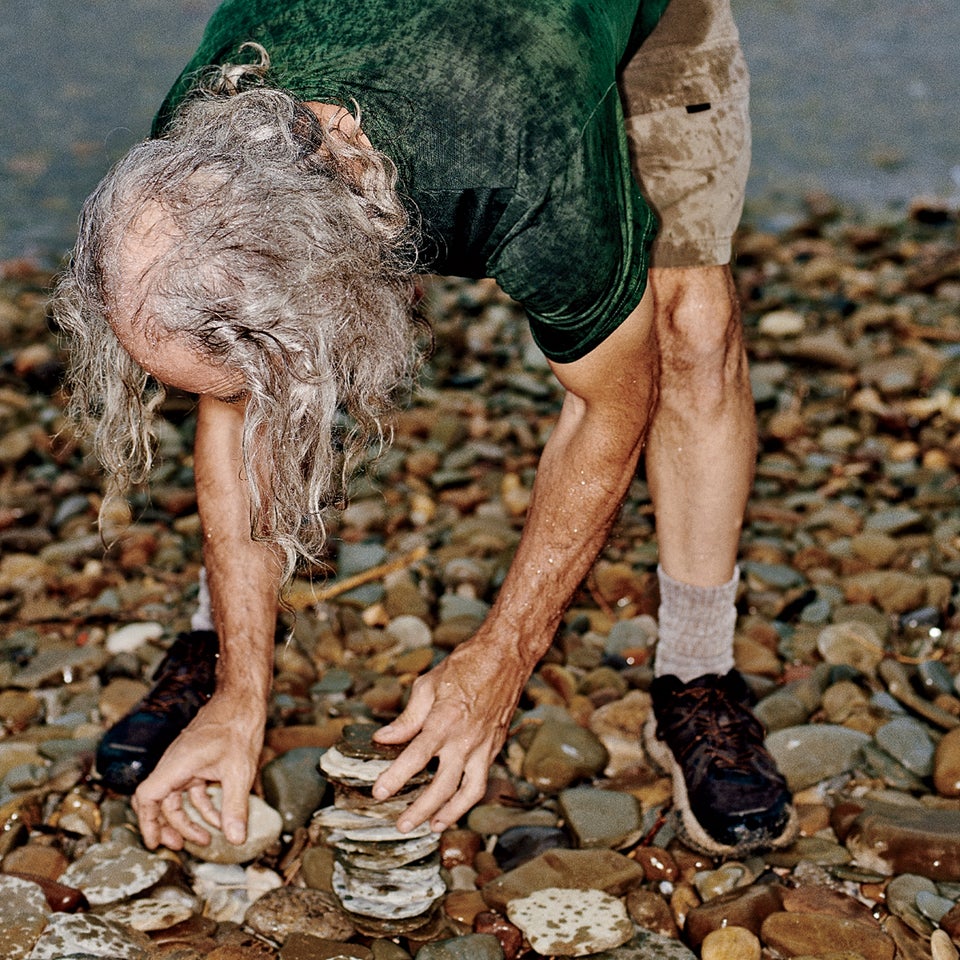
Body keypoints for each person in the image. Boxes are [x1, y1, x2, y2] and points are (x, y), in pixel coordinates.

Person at [55, 0, 797, 859]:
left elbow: (610, 407)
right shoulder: (192, 149)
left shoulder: (529, 164)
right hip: (419, 84)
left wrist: (501, 661)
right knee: (237, 364)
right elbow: (240, 397)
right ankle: (223, 643)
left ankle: (697, 669)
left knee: (691, 328)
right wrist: (240, 690)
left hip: (568, 42)